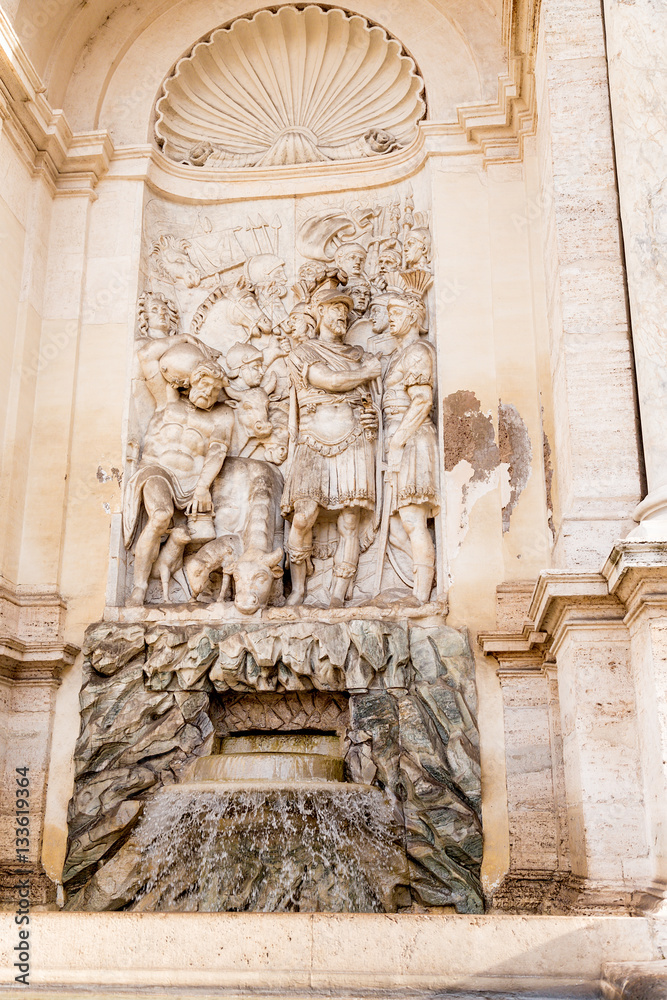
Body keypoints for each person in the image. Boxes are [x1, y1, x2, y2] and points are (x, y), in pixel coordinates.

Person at [281, 289, 381, 607]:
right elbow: (327, 380)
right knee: (304, 513)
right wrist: (366, 373)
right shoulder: (304, 352)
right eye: (334, 309)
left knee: (349, 520)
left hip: (354, 436)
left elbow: (375, 400)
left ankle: (338, 593)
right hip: (313, 436)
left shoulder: (359, 354)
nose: (341, 315)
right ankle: (298, 589)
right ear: (319, 313)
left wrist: (374, 415)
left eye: (345, 310)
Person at [123, 345, 233, 606]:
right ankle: (139, 587)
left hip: (193, 483)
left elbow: (217, 454)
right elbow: (146, 356)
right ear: (193, 381)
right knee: (160, 515)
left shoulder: (221, 416)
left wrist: (202, 487)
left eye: (215, 390)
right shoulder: (167, 399)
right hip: (157, 471)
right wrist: (183, 337)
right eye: (205, 385)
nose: (209, 393)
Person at [381, 292, 439, 603]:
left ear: (414, 316)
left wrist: (398, 440)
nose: (391, 316)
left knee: (413, 518)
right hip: (397, 439)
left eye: (398, 311)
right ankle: (417, 582)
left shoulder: (417, 352)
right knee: (394, 525)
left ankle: (421, 595)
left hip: (412, 439)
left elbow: (421, 401)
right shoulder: (400, 355)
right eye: (390, 311)